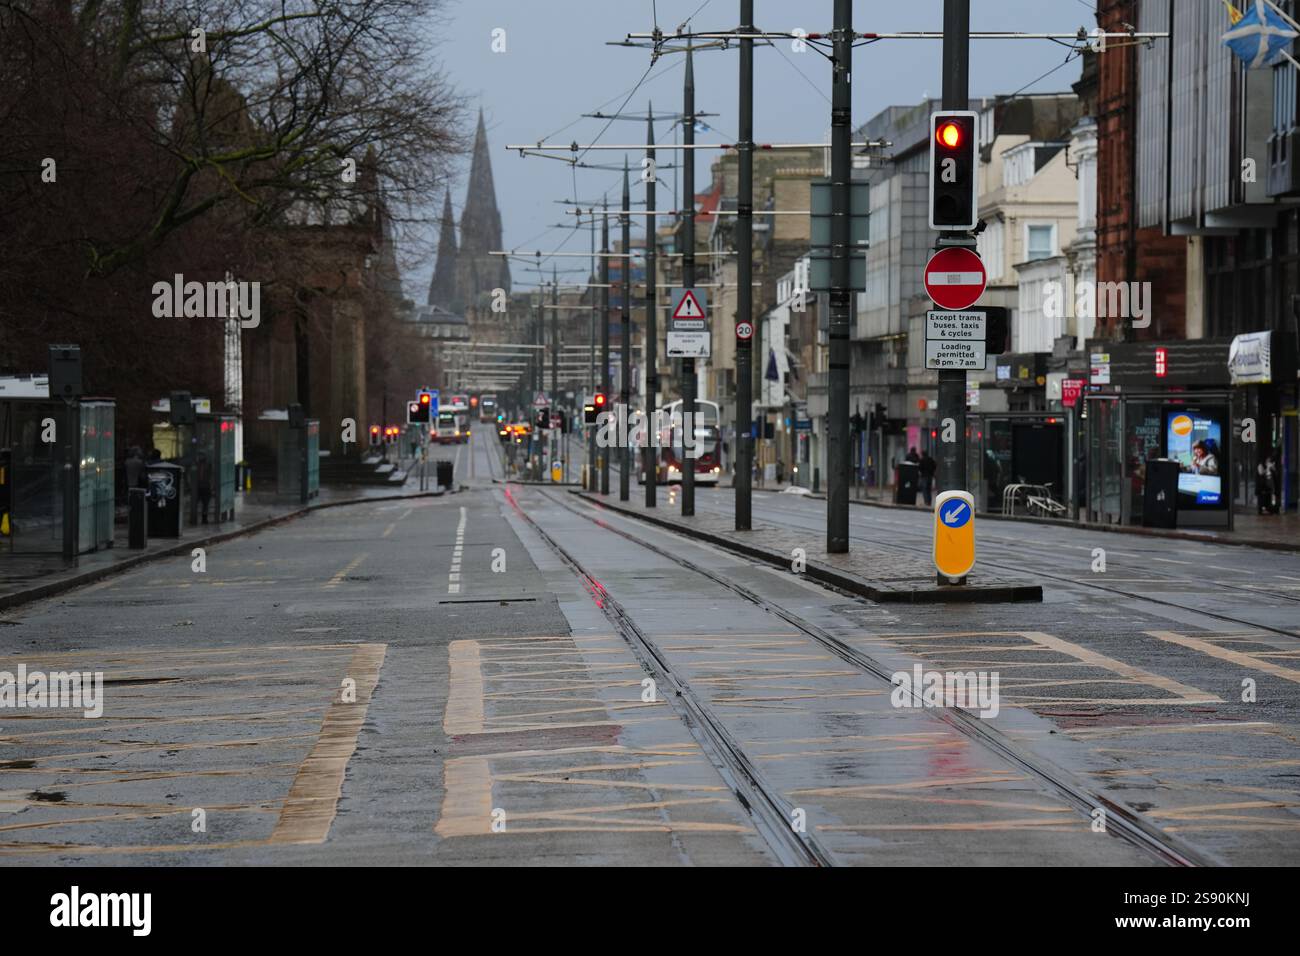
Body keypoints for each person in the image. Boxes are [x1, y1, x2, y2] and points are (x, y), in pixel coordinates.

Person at [1257, 450, 1279, 515]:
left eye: (1269, 460)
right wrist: (1267, 468)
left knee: (1272, 497)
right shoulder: (1261, 465)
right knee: (1263, 498)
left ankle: (1272, 508)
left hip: (1271, 485)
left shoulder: (1271, 466)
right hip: (1264, 485)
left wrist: (1273, 468)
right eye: (1267, 460)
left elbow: (1276, 474)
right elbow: (1261, 473)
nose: (1268, 462)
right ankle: (1264, 509)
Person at [195, 452, 213, 524]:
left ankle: (204, 518)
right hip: (198, 487)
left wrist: (211, 486)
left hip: (206, 487)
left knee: (205, 504)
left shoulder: (208, 465)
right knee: (197, 502)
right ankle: (195, 517)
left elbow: (211, 476)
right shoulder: (196, 465)